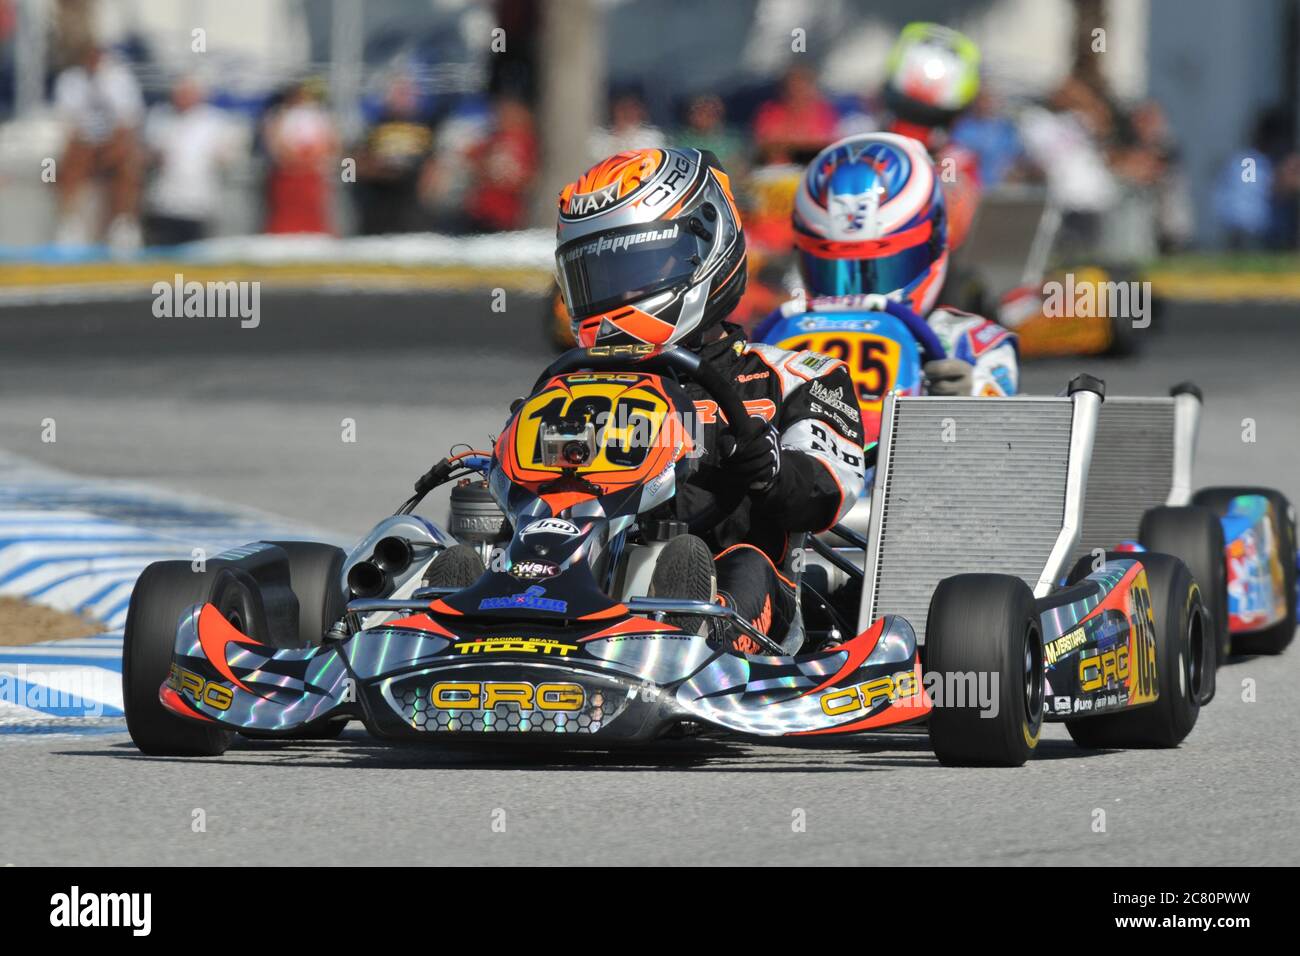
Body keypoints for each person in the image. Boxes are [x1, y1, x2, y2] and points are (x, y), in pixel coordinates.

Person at [551, 148, 868, 649]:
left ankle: (695, 636)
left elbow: (827, 491)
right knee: (463, 538)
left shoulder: (793, 375)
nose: (617, 297)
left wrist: (771, 470)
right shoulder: (572, 385)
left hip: (735, 591)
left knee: (726, 563)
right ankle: (458, 612)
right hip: (584, 580)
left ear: (704, 252)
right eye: (599, 279)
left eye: (637, 271)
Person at [768, 132, 1019, 404]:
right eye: (836, 271)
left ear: (933, 243)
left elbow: (1005, 425)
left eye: (882, 270)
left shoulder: (969, 343)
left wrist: (971, 397)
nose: (860, 294)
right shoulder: (778, 339)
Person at [52, 44, 144, 250]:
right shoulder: (70, 80)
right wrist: (85, 145)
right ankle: (70, 222)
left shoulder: (120, 79)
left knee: (127, 161)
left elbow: (127, 121)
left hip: (113, 142)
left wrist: (110, 147)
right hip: (82, 142)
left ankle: (123, 222)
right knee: (71, 158)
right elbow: (68, 123)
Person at [142, 75, 240, 246]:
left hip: (199, 204)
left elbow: (229, 157)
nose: (183, 98)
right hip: (164, 202)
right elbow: (147, 153)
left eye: (188, 93)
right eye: (180, 93)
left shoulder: (216, 121)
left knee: (193, 257)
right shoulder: (160, 116)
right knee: (163, 255)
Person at [353, 74, 436, 235]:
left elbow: (434, 168)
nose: (403, 98)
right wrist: (372, 171)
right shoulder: (373, 128)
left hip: (413, 210)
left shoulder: (426, 128)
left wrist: (429, 191)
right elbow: (350, 164)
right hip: (377, 207)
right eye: (399, 93)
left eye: (407, 94)